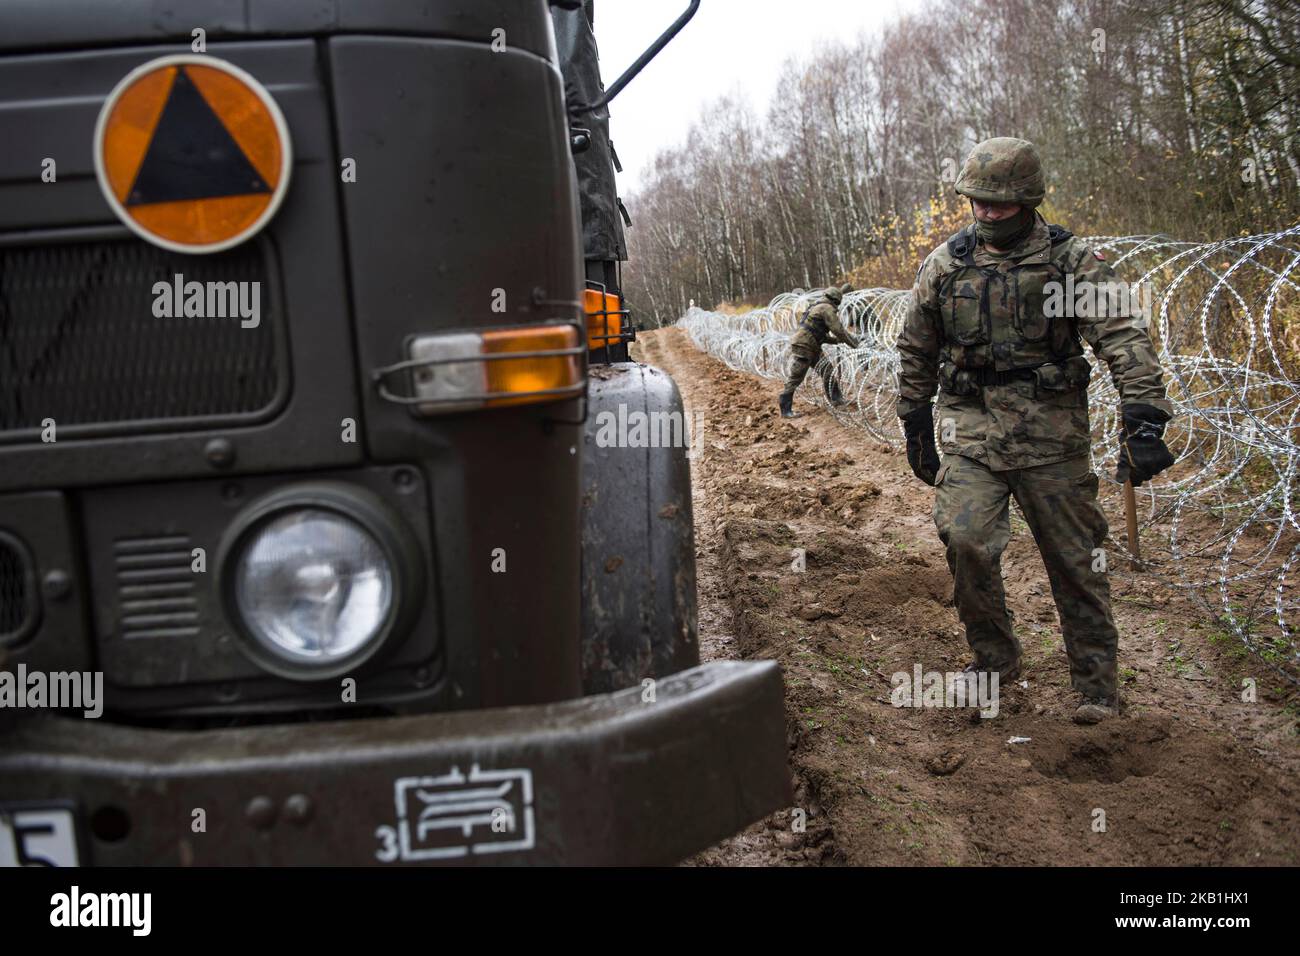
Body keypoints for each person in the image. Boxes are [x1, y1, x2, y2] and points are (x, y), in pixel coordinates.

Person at [894, 137, 1176, 724]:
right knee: (965, 539)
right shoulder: (947, 264)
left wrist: (1144, 414)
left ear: (1028, 200)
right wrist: (915, 418)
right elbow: (916, 346)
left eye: (999, 204)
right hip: (973, 434)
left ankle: (1096, 687)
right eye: (978, 202)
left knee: (1077, 561)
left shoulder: (1070, 261)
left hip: (1052, 437)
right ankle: (994, 662)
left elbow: (1122, 334)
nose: (987, 213)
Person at [779, 283, 859, 418]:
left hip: (812, 345)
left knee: (827, 370)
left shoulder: (816, 307)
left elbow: (818, 332)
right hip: (805, 346)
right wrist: (853, 343)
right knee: (796, 377)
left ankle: (836, 399)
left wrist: (836, 341)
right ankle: (785, 410)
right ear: (836, 301)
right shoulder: (826, 308)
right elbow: (839, 330)